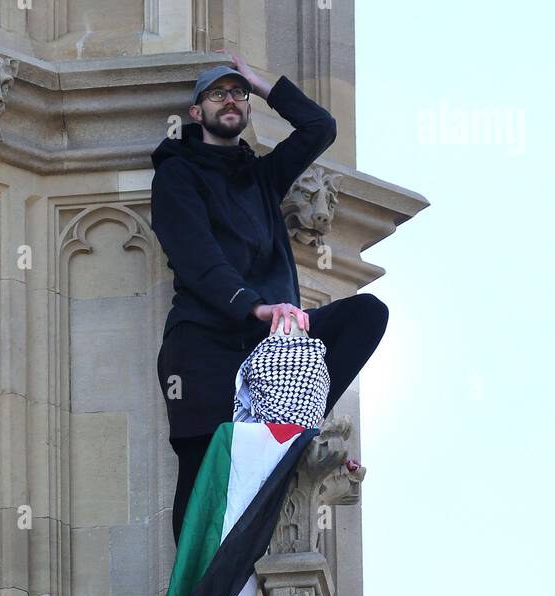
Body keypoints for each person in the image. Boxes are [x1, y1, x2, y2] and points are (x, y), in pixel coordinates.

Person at [151, 53, 390, 543]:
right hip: (205, 342)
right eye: (217, 94)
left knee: (367, 314)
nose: (230, 100)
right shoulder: (177, 174)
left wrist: (265, 85)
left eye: (237, 93)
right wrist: (253, 305)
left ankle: (302, 425)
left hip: (274, 346)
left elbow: (319, 127)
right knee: (203, 471)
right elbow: (197, 258)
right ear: (196, 112)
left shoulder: (260, 176)